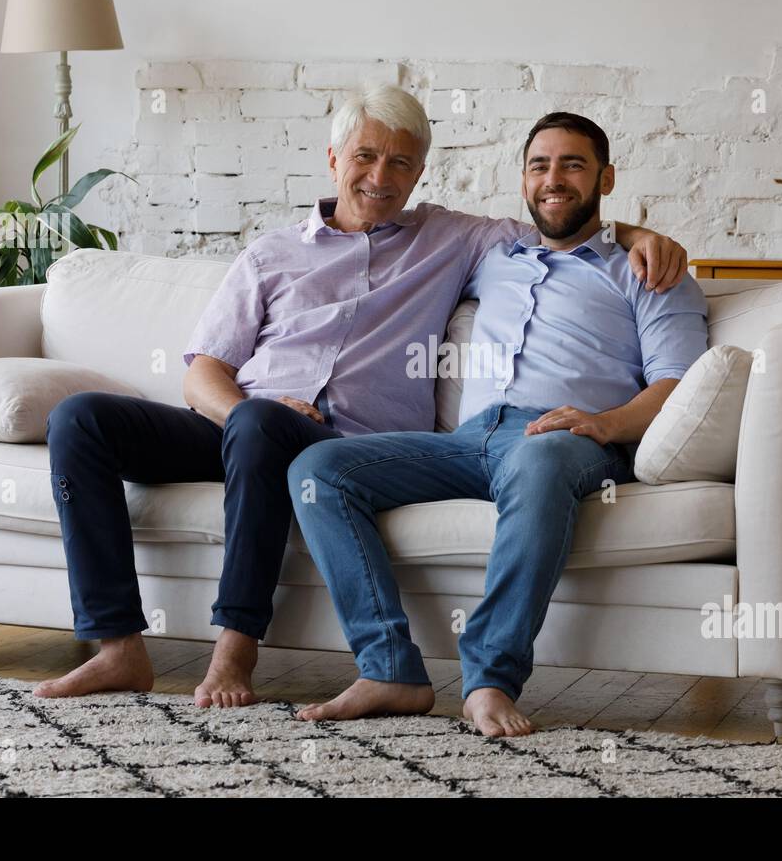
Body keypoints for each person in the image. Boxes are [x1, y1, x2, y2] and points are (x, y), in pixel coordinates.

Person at [34, 88, 690, 705]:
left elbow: (566, 222)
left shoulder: (454, 240)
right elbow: (202, 372)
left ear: (420, 173)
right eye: (365, 156)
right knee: (80, 418)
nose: (381, 174)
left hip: (342, 436)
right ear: (333, 160)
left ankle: (234, 652)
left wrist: (642, 236)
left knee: (268, 434)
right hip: (241, 420)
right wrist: (241, 412)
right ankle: (118, 644)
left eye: (401, 162)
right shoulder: (272, 253)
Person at [288, 111, 709, 736]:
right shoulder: (492, 255)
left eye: (574, 165)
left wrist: (606, 422)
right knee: (318, 468)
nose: (554, 180)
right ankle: (389, 668)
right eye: (540, 165)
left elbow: (677, 382)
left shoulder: (646, 272)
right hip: (469, 439)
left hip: (569, 439)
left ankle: (488, 681)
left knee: (539, 461)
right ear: (523, 180)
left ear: (606, 178)